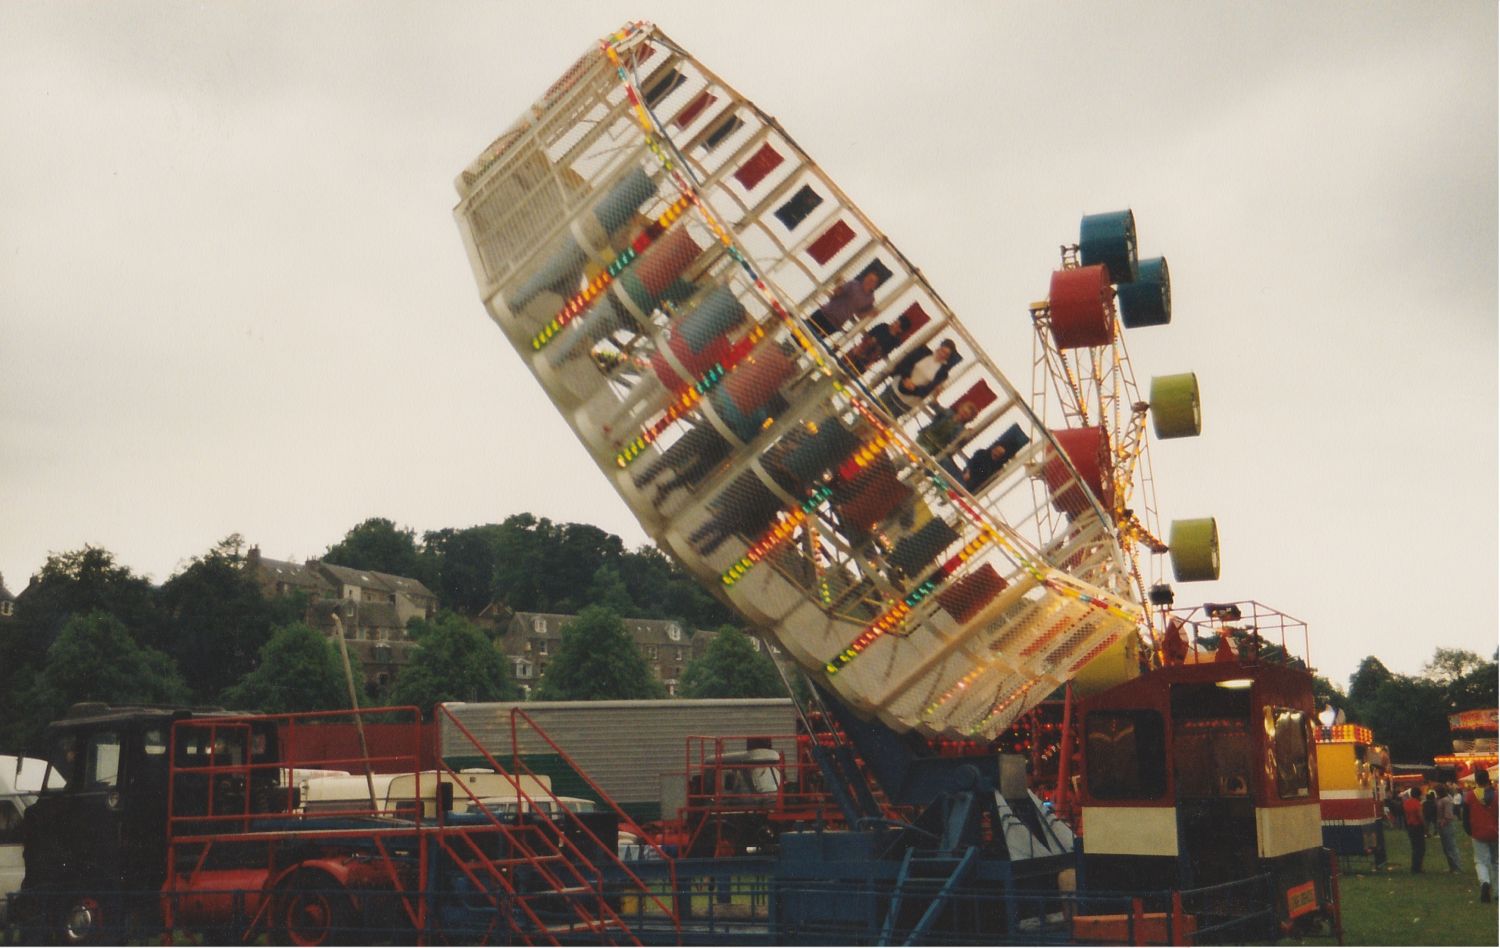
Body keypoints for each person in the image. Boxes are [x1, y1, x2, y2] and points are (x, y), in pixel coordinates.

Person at [878, 339, 961, 417]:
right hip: (895, 388)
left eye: (946, 354)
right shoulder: (923, 353)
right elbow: (905, 363)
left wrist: (914, 388)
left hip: (907, 402)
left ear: (948, 357)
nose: (942, 354)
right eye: (942, 350)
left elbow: (928, 390)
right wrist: (906, 378)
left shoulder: (943, 374)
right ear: (939, 347)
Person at [808, 269, 881, 338]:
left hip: (834, 325)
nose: (869, 281)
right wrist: (838, 287)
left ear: (875, 285)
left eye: (872, 281)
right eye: (868, 278)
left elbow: (859, 314)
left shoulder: (870, 300)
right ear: (865, 278)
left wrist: (870, 314)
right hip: (824, 313)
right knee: (803, 329)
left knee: (812, 341)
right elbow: (837, 292)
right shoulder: (853, 284)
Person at [1463, 768, 1498, 902]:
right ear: (1488, 779)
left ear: (1476, 781)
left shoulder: (1470, 796)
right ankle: (1497, 891)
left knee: (1481, 861)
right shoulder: (1497, 795)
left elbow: (1465, 816)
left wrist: (1469, 831)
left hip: (1478, 832)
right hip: (1495, 832)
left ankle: (1485, 882)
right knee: (1496, 862)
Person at [842, 312, 911, 373]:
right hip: (860, 349)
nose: (894, 322)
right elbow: (868, 334)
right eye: (895, 321)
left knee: (853, 373)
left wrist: (870, 363)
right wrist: (869, 342)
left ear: (900, 330)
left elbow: (883, 353)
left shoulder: (896, 341)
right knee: (843, 362)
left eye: (896, 323)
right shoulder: (883, 326)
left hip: (868, 360)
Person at [1437, 782, 1463, 872]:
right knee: (1446, 847)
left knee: (1451, 846)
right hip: (1443, 824)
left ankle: (1457, 867)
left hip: (1446, 825)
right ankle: (1452, 866)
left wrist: (1443, 822)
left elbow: (1448, 815)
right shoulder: (1444, 799)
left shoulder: (1446, 800)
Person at [1403, 785, 1427, 873]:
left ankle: (1415, 866)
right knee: (1420, 848)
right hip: (1417, 826)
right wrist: (1425, 826)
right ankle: (1418, 867)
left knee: (1414, 847)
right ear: (1418, 795)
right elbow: (1420, 815)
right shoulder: (1417, 803)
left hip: (1410, 826)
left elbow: (1406, 815)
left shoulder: (1406, 803)